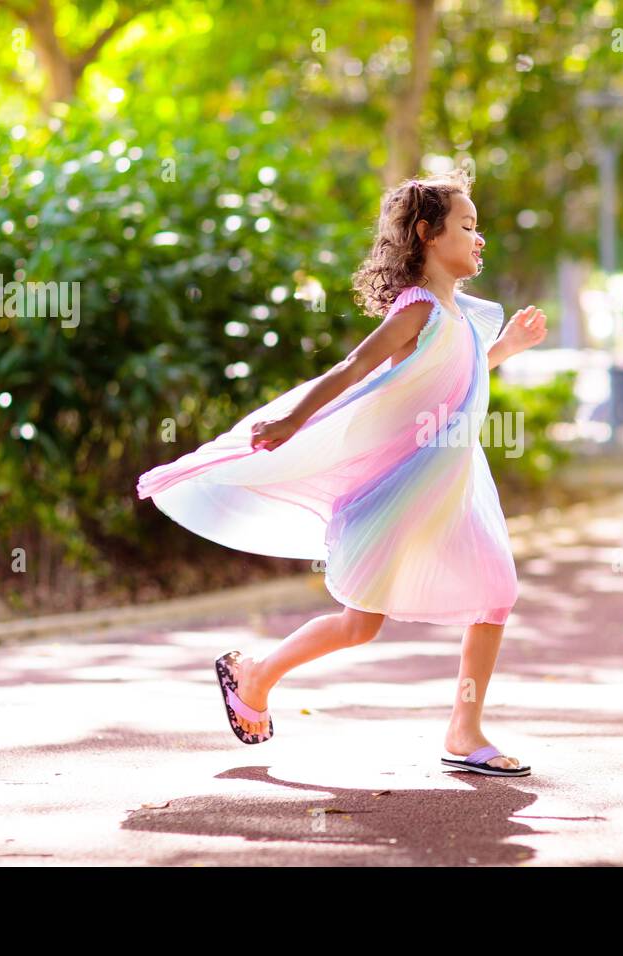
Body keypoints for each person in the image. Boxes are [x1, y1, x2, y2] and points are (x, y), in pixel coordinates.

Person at [136, 168, 548, 775]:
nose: (479, 238)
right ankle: (254, 675)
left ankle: (464, 731)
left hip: (455, 490)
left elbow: (458, 376)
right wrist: (293, 421)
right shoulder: (419, 308)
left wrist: (505, 350)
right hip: (403, 489)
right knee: (361, 624)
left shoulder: (462, 317)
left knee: (495, 596)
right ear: (428, 235)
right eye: (468, 226)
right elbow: (354, 368)